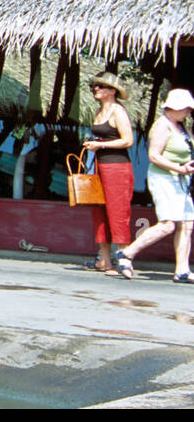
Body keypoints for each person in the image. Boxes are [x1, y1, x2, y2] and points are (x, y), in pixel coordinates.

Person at [116, 89, 194, 282]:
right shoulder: (162, 126)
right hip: (164, 179)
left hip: (182, 180)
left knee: (187, 223)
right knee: (168, 225)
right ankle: (127, 253)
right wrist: (178, 168)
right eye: (186, 109)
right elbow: (153, 156)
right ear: (175, 108)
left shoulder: (183, 127)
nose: (188, 113)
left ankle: (182, 269)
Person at [80, 73, 136, 274]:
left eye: (101, 86)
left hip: (117, 167)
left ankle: (123, 257)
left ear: (112, 91)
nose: (96, 89)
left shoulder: (117, 111)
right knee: (99, 212)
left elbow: (128, 140)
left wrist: (100, 145)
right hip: (99, 166)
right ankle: (104, 260)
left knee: (118, 211)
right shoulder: (99, 110)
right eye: (94, 86)